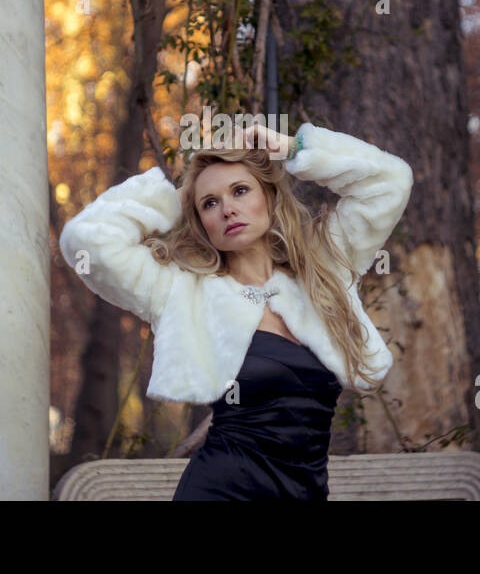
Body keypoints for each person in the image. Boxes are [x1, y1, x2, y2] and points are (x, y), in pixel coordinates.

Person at [58, 121, 413, 499]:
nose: (228, 209)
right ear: (200, 221)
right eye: (210, 203)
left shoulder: (325, 268)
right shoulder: (183, 291)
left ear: (270, 199)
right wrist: (180, 195)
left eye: (240, 191)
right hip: (220, 490)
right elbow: (85, 241)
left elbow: (390, 182)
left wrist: (292, 148)